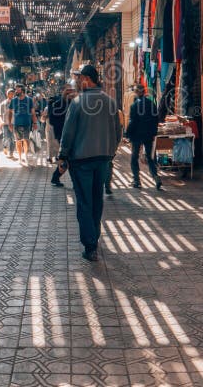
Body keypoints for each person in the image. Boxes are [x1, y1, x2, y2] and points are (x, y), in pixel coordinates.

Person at [58, 65, 122, 262]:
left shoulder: (78, 103)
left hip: (81, 160)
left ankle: (90, 245)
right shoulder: (111, 103)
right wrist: (110, 152)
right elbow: (118, 132)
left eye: (79, 78)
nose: (76, 82)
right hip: (103, 159)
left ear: (86, 79)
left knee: (84, 202)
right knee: (97, 200)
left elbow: (68, 133)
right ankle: (94, 237)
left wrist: (63, 156)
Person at [126, 84, 163, 190]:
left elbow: (132, 122)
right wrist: (153, 133)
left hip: (137, 136)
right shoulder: (151, 104)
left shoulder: (134, 106)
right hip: (148, 135)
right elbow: (156, 119)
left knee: (134, 158)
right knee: (149, 158)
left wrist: (127, 134)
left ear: (137, 92)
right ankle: (156, 177)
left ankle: (137, 181)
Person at [46, 86, 75, 186]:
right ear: (63, 92)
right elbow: (52, 120)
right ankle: (58, 178)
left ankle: (56, 178)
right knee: (68, 158)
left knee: (69, 158)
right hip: (62, 134)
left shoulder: (75, 103)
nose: (70, 94)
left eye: (72, 91)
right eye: (67, 92)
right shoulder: (57, 104)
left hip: (73, 134)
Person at [9, 84, 38, 165]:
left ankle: (25, 155)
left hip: (27, 123)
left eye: (17, 90)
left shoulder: (29, 100)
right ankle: (20, 157)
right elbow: (10, 112)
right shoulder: (13, 100)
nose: (16, 91)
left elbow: (33, 112)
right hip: (16, 124)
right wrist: (9, 123)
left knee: (26, 140)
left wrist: (35, 123)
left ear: (22, 90)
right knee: (18, 141)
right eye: (16, 89)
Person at [0, 88, 16, 158]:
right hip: (5, 123)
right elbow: (0, 114)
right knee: (6, 137)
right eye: (10, 94)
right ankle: (5, 147)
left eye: (13, 94)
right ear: (7, 94)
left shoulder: (16, 103)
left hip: (13, 123)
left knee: (12, 138)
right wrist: (1, 121)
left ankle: (11, 152)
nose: (12, 95)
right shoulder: (3, 104)